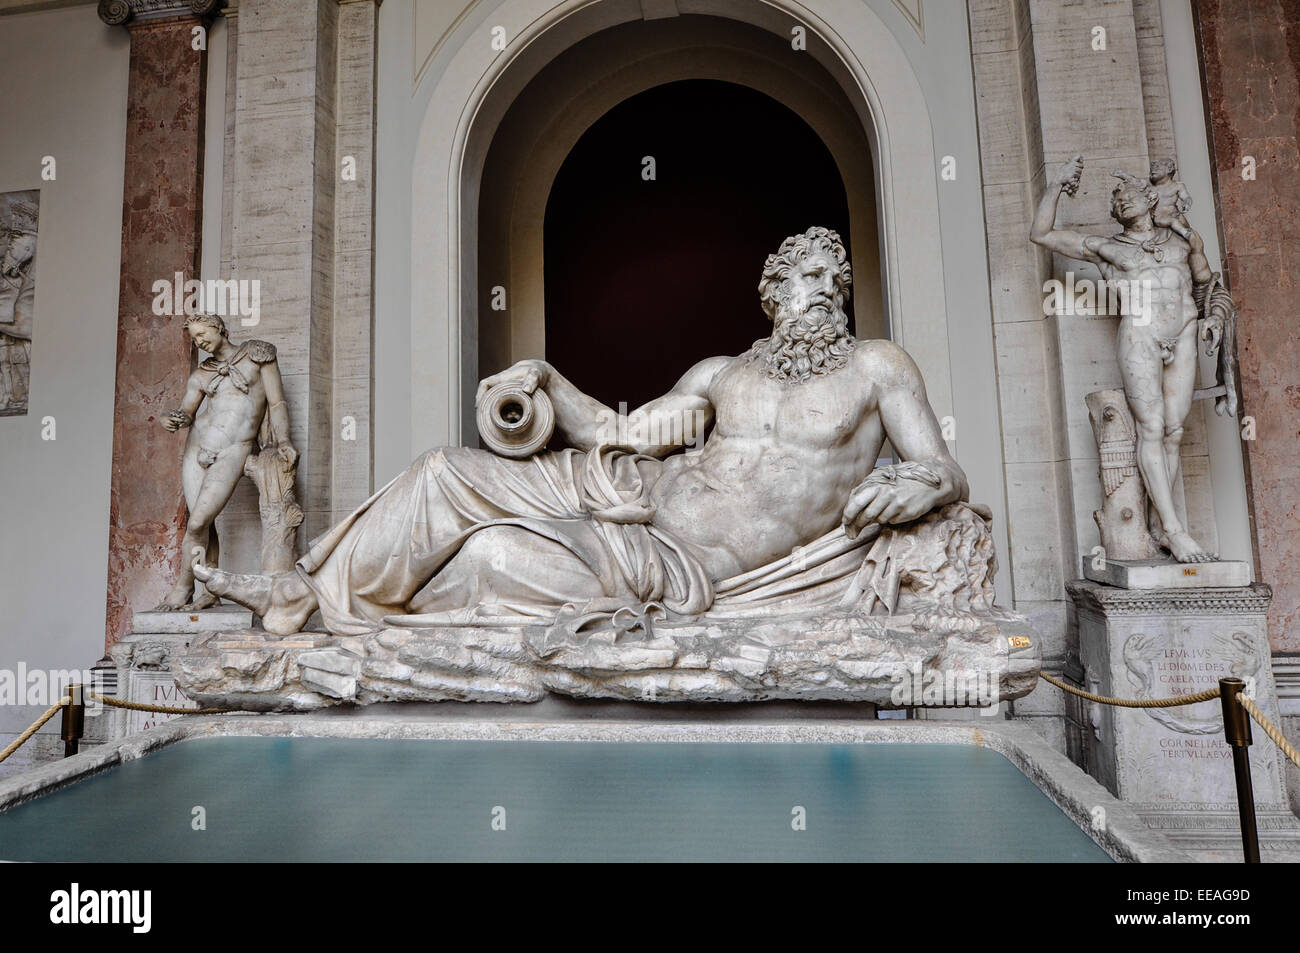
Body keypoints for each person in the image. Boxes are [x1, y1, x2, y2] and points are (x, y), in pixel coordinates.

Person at [196, 226, 970, 635]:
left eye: (838, 280)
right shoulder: (721, 373)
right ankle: (305, 590)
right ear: (773, 291)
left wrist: (918, 482)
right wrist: (542, 377)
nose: (827, 290)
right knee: (440, 469)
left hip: (671, 556)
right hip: (625, 488)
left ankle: (341, 615)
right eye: (810, 276)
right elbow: (615, 429)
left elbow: (943, 469)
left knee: (491, 554)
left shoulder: (875, 365)